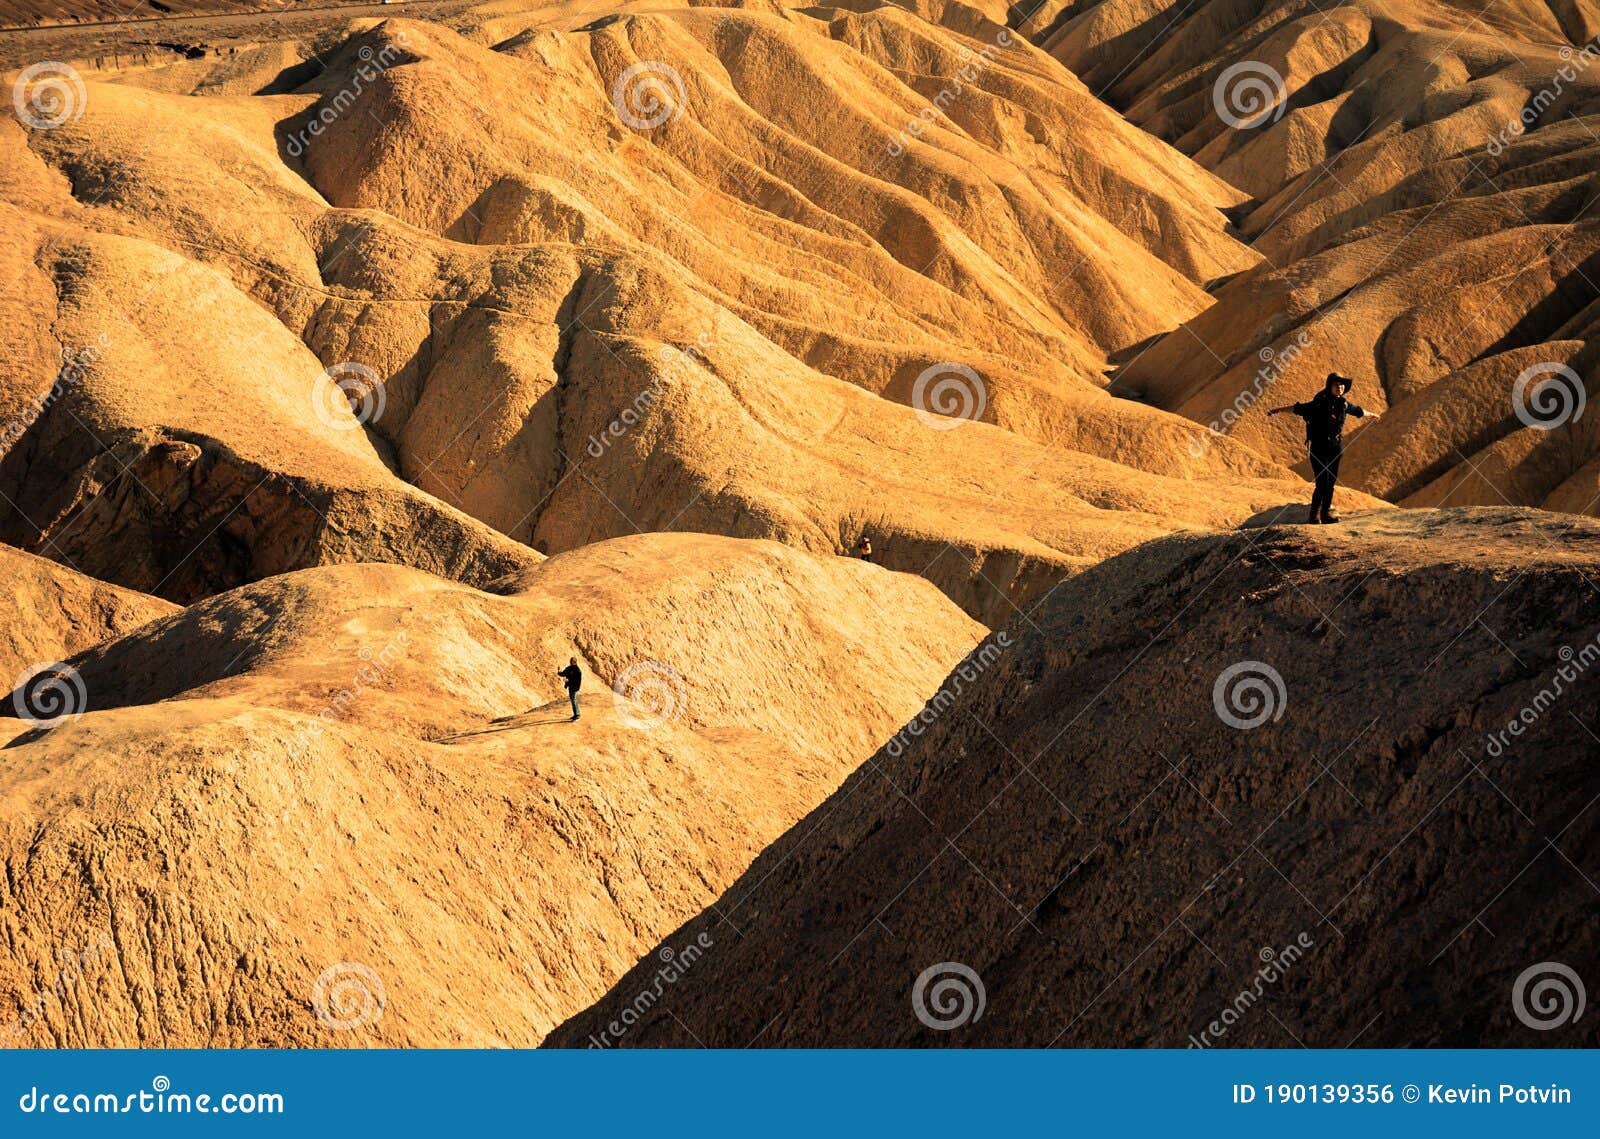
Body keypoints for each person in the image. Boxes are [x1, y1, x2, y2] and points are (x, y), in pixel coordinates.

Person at [1267, 373, 1380, 524]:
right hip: (1319, 448)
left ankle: (1326, 514)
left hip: (1335, 448)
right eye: (1336, 385)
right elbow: (1298, 408)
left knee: (1331, 482)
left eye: (1342, 385)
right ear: (1330, 386)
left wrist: (1372, 414)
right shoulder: (1319, 402)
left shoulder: (1343, 404)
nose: (1340, 387)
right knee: (1322, 481)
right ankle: (1314, 514)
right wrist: (1279, 410)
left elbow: (1358, 411)